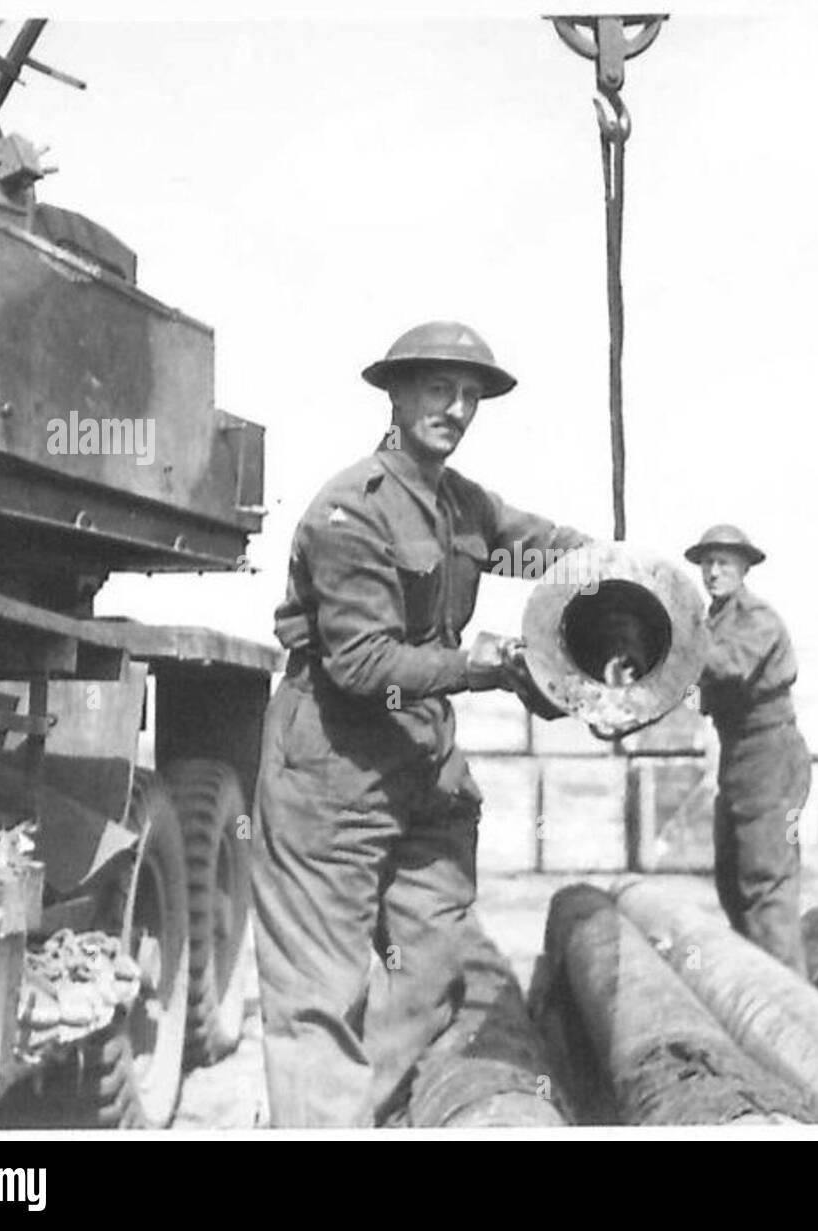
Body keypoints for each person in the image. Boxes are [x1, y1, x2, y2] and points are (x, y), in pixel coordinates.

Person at [252, 321, 588, 1126]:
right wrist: (484, 665)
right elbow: (363, 666)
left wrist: (624, 578)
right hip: (331, 768)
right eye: (439, 389)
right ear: (396, 396)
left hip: (421, 769)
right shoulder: (350, 511)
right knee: (318, 1001)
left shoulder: (462, 504)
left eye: (471, 394)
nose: (458, 407)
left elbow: (545, 548)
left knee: (429, 974)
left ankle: (345, 1121)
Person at [685, 524, 811, 976]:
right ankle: (759, 992)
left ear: (743, 568)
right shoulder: (710, 621)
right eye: (707, 564)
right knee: (733, 882)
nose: (713, 572)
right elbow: (698, 694)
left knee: (765, 885)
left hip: (769, 753)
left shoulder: (756, 618)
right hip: (738, 756)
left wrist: (669, 646)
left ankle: (791, 1009)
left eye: (723, 563)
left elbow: (726, 667)